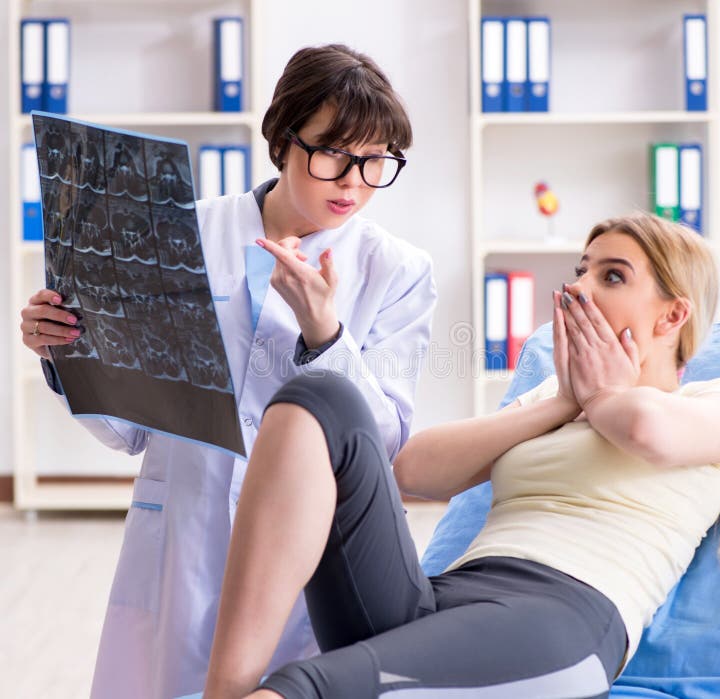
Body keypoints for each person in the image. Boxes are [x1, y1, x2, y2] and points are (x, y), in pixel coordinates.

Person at [201, 212, 720, 699]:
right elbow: (414, 470)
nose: (579, 289)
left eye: (612, 277)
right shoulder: (553, 400)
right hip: (438, 598)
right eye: (581, 271)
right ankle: (222, 690)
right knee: (319, 394)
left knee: (304, 688)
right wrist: (562, 402)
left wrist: (602, 395)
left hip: (559, 620)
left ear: (673, 314)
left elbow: (647, 430)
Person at [19, 44, 437, 699]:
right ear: (282, 139)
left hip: (302, 563)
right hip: (180, 536)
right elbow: (129, 429)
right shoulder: (178, 235)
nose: (354, 181)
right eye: (333, 153)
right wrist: (64, 355)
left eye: (376, 159)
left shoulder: (398, 270)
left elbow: (383, 445)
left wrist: (326, 334)